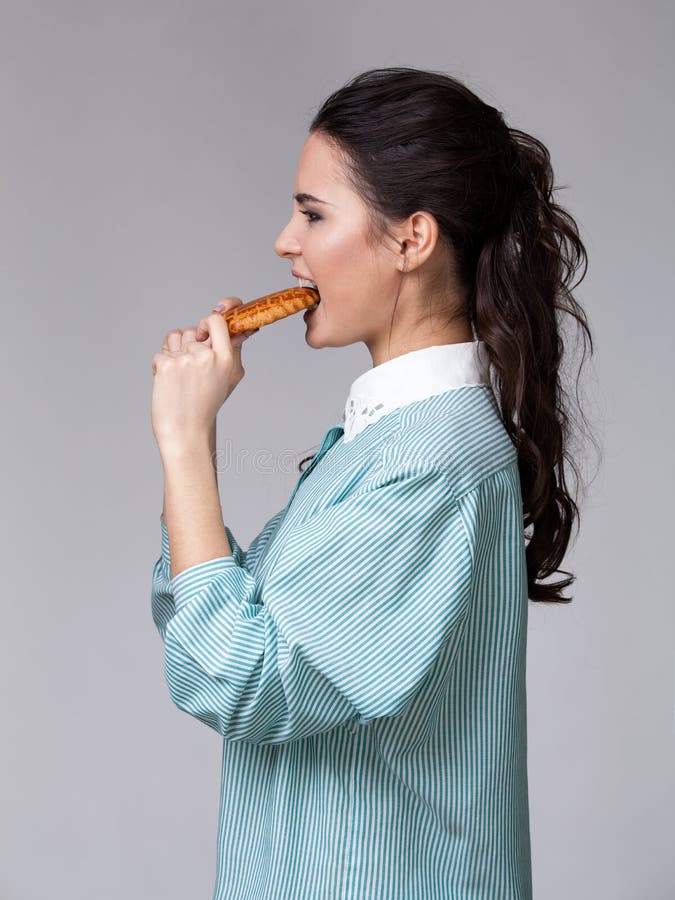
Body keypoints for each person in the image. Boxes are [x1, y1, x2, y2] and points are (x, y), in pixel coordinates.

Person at [150, 66, 593, 900]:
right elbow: (203, 617)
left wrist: (185, 441)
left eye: (313, 214)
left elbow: (233, 677)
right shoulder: (379, 442)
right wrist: (187, 447)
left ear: (410, 240)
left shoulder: (431, 462)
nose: (285, 242)